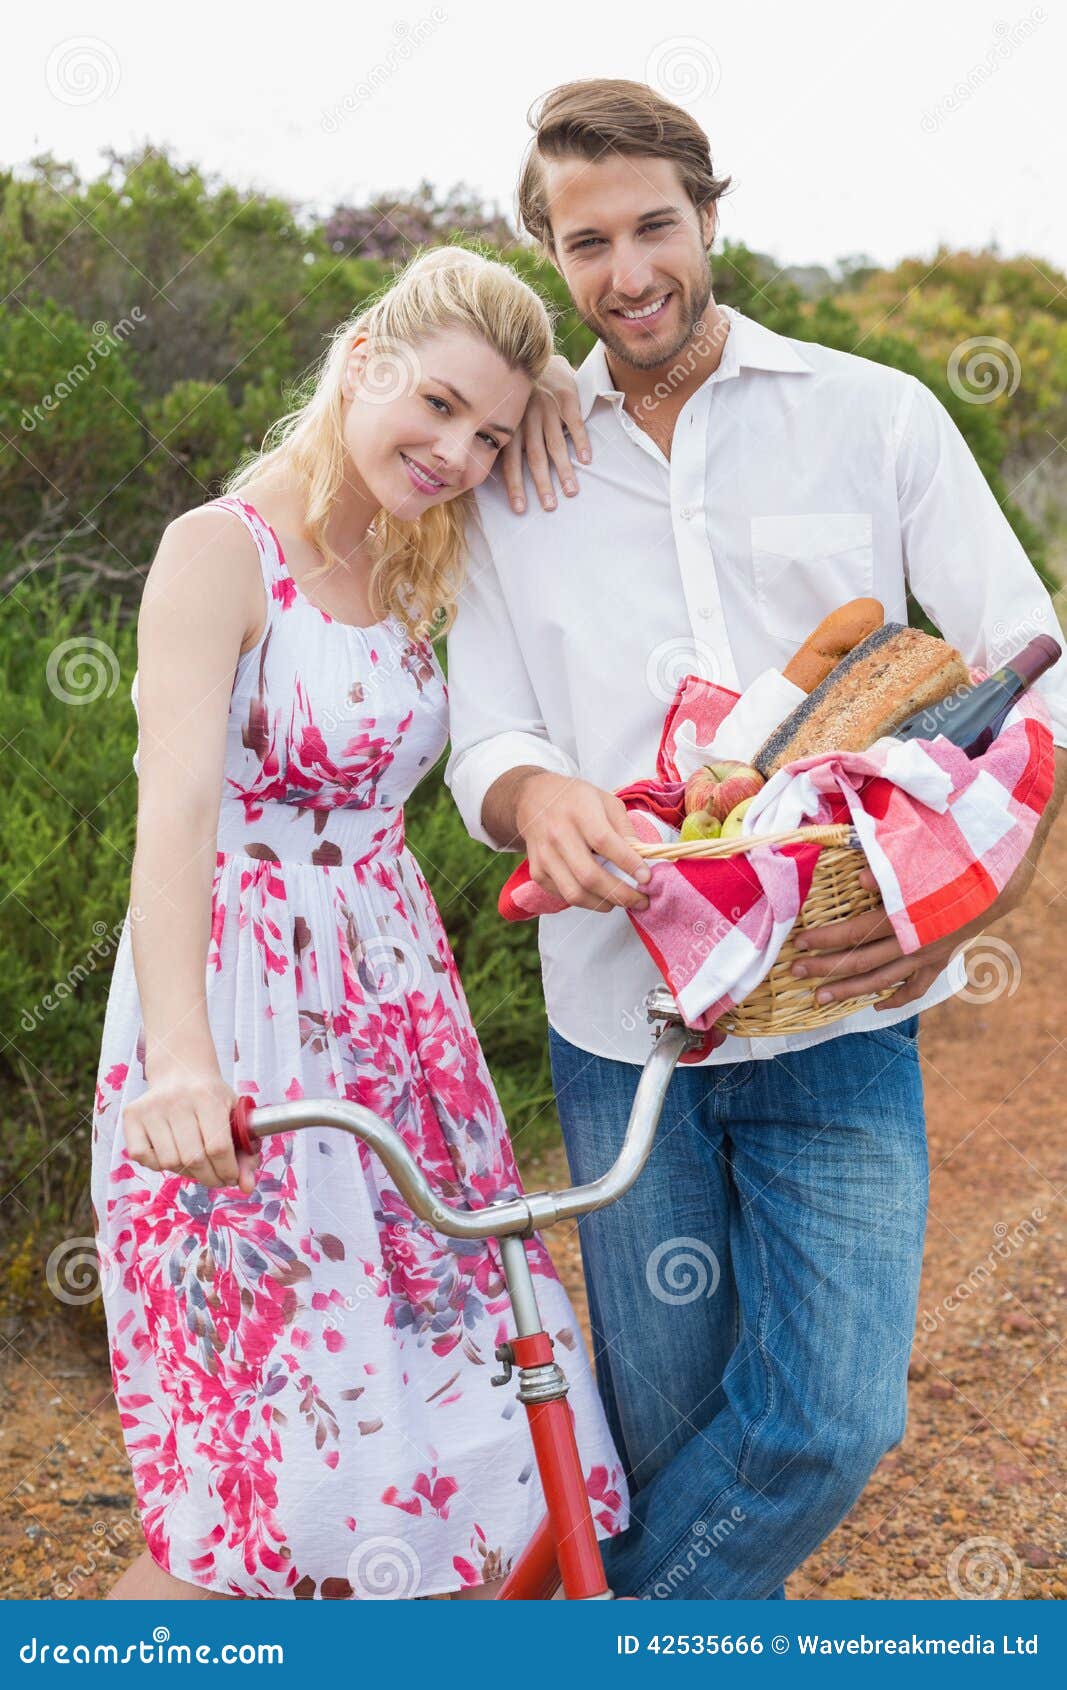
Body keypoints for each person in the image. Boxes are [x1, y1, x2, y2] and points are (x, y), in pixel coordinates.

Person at [443, 79, 1067, 1600]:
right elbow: (489, 732)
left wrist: (967, 892)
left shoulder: (873, 415)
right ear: (554, 256)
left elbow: (1027, 657)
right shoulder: (521, 467)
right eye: (587, 242)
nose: (630, 270)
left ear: (710, 216)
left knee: (831, 1420)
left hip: (843, 1002)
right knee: (675, 1446)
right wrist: (539, 799)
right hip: (620, 1015)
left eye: (655, 223)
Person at [90, 245, 628, 1603]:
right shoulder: (219, 553)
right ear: (357, 362)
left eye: (490, 433)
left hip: (400, 1019)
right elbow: (178, 821)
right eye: (436, 405)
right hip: (236, 1015)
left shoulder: (407, 549)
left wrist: (549, 383)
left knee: (473, 1414)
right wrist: (180, 1063)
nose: (457, 450)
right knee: (266, 1468)